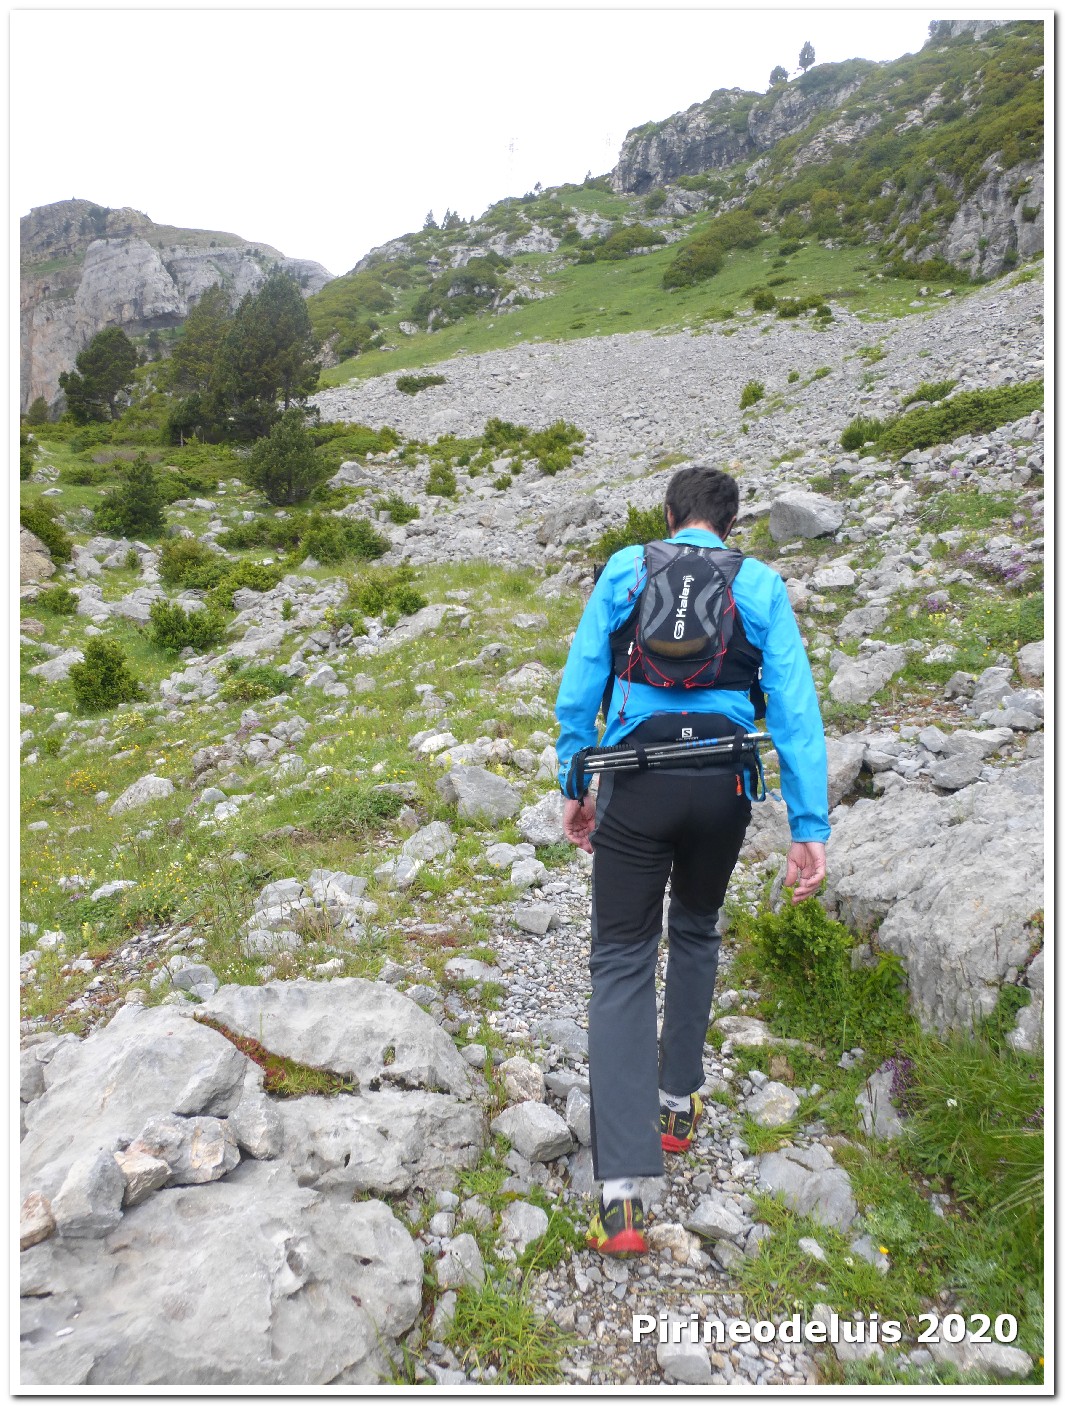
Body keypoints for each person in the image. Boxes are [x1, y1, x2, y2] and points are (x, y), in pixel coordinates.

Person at [554, 465, 829, 1256]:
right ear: (729, 525)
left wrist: (577, 780)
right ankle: (677, 1105)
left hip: (634, 785)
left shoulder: (623, 568)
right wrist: (807, 825)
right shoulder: (760, 585)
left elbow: (581, 685)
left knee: (620, 959)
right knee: (698, 931)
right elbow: (796, 708)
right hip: (723, 786)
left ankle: (619, 1198)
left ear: (667, 516)